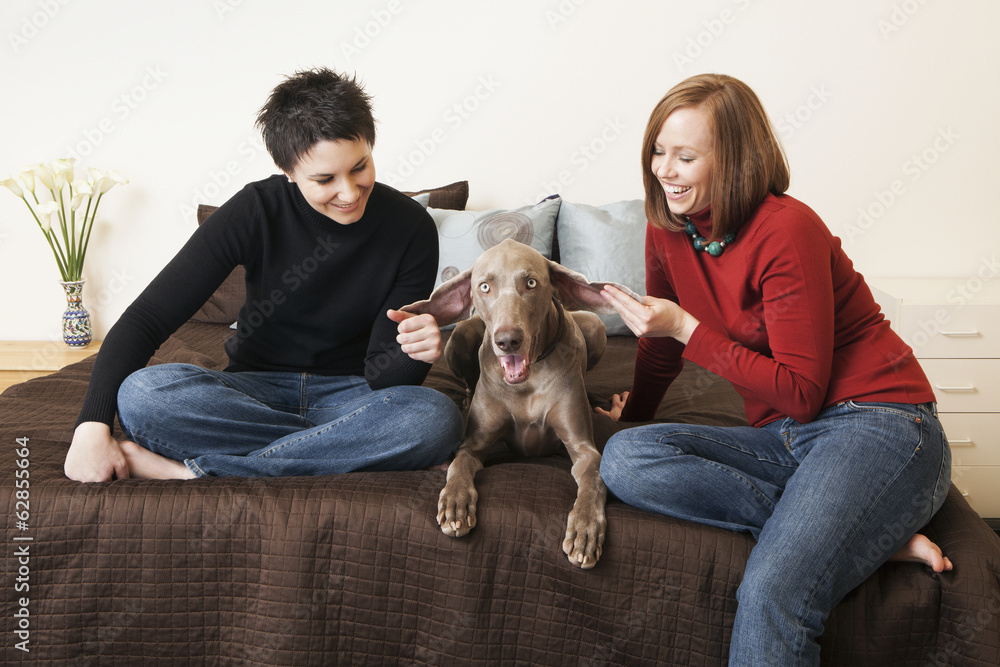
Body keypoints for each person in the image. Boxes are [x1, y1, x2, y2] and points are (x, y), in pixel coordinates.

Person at [596, 73, 952, 665]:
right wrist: (632, 415)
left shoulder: (786, 229)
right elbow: (657, 344)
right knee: (626, 458)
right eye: (658, 151)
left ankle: (846, 528)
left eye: (685, 156)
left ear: (732, 160)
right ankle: (863, 533)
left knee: (771, 592)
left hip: (880, 423)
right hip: (785, 437)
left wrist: (688, 328)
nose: (664, 169)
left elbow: (801, 391)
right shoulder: (669, 234)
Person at [64, 67, 462, 482]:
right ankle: (347, 453)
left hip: (352, 396)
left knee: (433, 418)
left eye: (359, 167)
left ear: (370, 146)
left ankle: (194, 474)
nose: (349, 192)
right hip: (251, 392)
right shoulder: (256, 210)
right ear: (288, 171)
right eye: (324, 179)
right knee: (142, 395)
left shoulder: (410, 226)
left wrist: (415, 353)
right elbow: (147, 318)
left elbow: (385, 376)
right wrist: (90, 427)